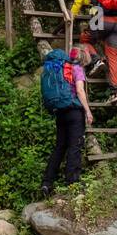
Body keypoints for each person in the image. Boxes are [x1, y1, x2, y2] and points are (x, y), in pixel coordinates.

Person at [40, 44, 93, 197]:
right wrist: (88, 111)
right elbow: (80, 91)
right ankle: (72, 183)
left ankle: (47, 183)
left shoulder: (60, 68)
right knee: (74, 146)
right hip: (74, 111)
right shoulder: (77, 69)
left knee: (59, 147)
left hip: (60, 112)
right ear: (84, 58)